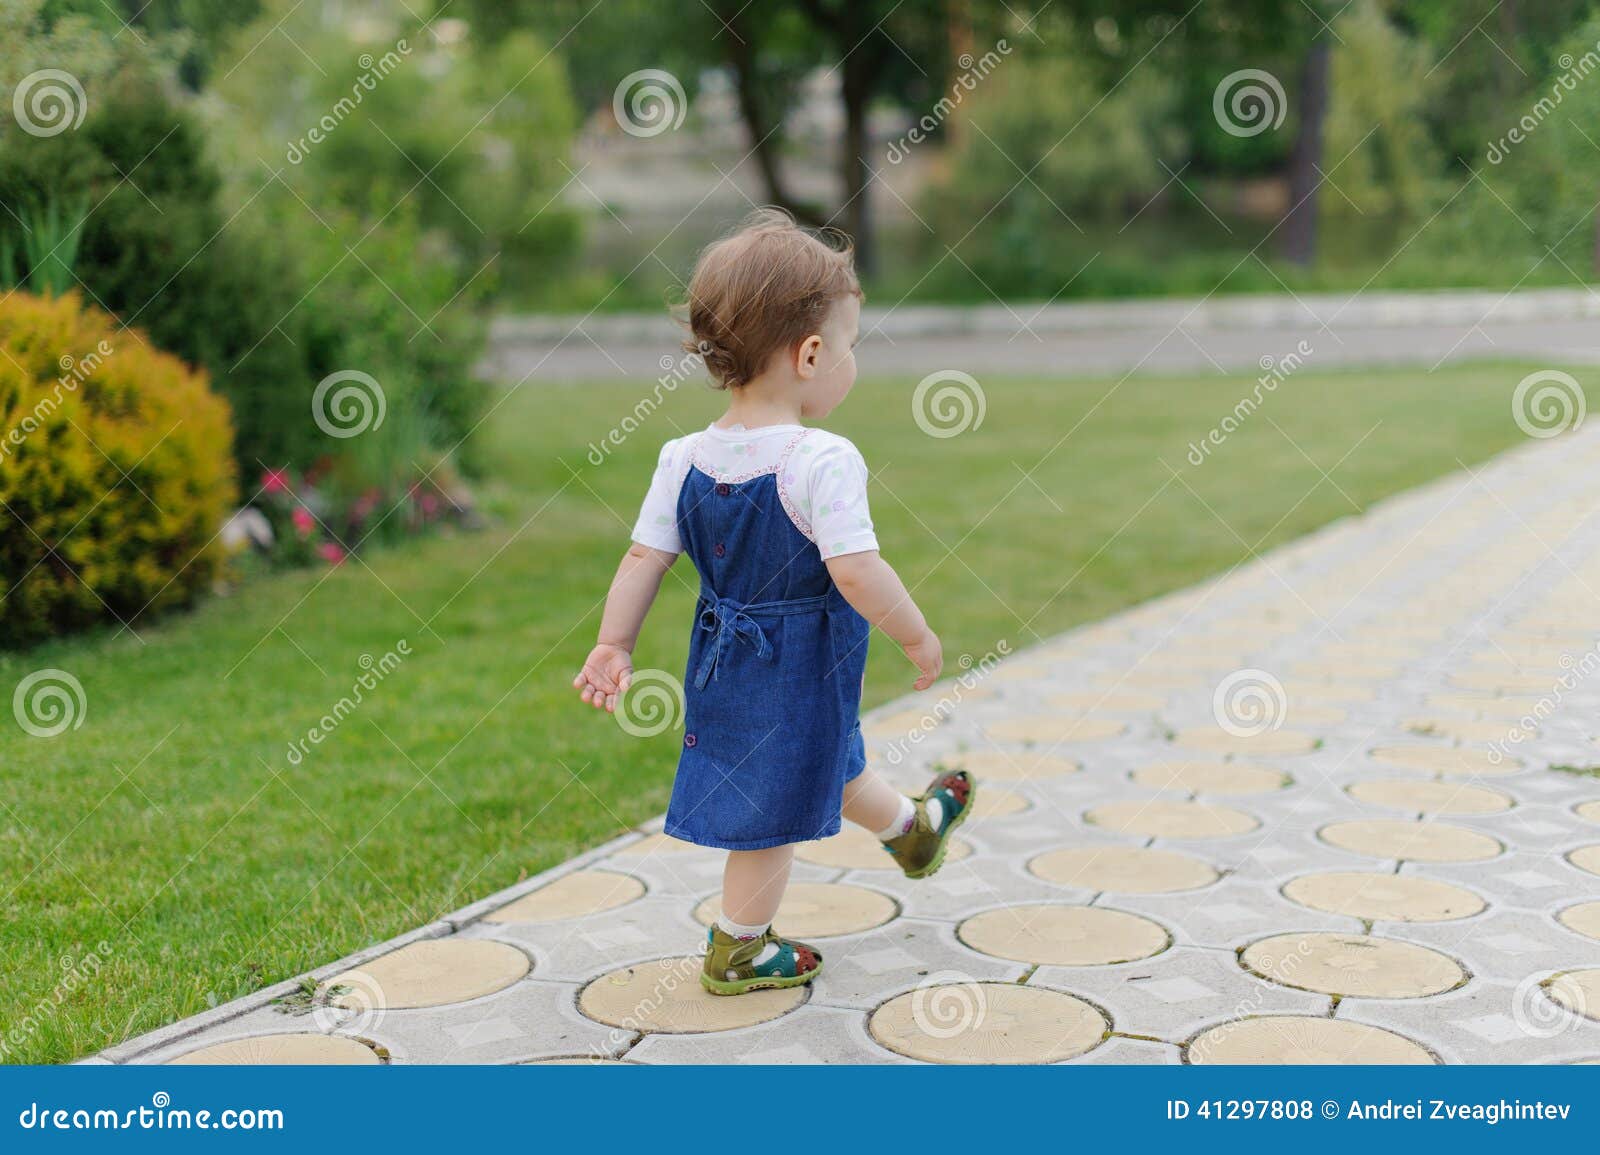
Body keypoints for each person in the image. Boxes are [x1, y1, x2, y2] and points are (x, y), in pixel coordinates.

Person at [573, 209, 974, 996]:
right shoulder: (820, 457)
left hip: (722, 659)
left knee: (829, 759)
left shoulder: (682, 455)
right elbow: (856, 571)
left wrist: (613, 642)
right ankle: (740, 946)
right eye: (852, 344)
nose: (853, 359)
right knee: (772, 803)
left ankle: (913, 832)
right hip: (797, 659)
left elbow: (643, 556)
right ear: (812, 352)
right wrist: (916, 634)